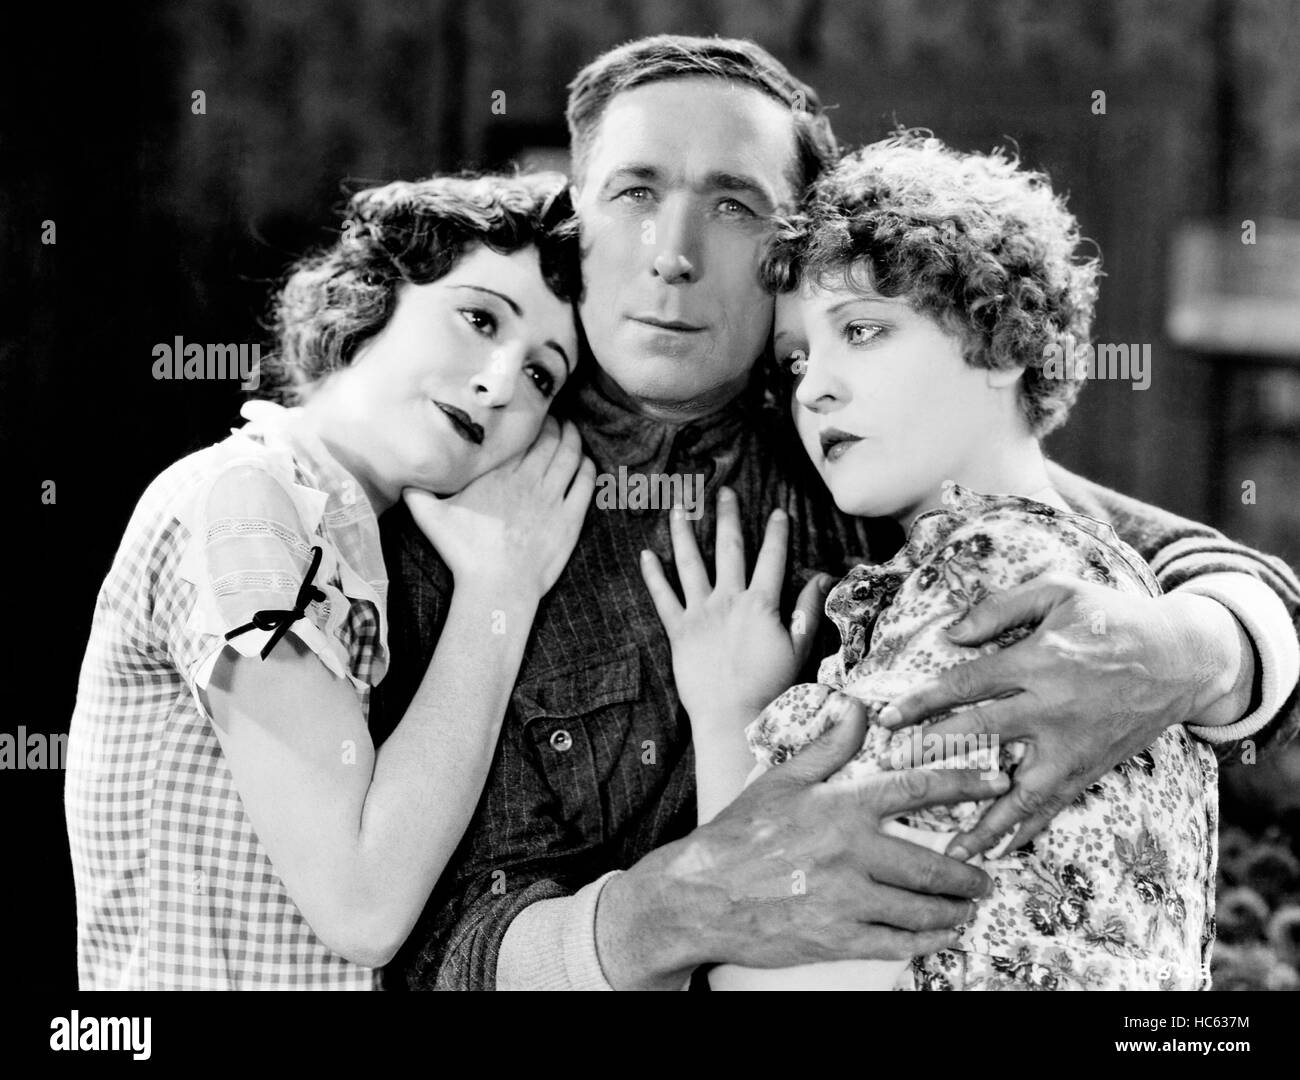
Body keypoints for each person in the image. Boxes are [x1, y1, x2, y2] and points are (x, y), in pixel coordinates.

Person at [379, 35, 1300, 991]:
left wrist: (1186, 651)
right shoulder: (456, 492)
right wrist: (674, 907)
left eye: (734, 204)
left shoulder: (870, 456)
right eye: (636, 192)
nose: (674, 257)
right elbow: (419, 950)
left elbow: (1196, 570)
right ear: (576, 218)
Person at [648, 132, 1229, 990]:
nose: (813, 387)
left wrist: (726, 717)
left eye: (864, 330)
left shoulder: (986, 580)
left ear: (1002, 343)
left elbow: (781, 975)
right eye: (798, 357)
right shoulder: (1099, 577)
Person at [64, 172, 594, 989]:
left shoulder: (354, 546)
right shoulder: (243, 502)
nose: (497, 383)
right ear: (372, 300)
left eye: (540, 377)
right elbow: (364, 909)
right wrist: (500, 592)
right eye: (480, 318)